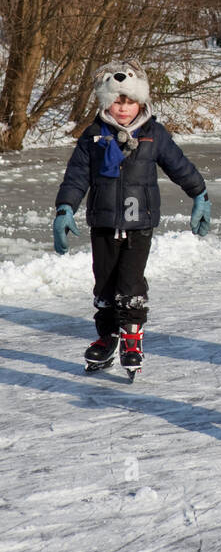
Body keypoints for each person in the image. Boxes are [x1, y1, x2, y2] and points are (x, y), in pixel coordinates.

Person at [52, 60, 210, 375]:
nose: (123, 108)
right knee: (104, 282)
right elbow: (77, 175)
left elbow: (180, 166)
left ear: (141, 101)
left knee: (130, 283)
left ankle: (132, 338)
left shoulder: (154, 134)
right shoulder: (94, 134)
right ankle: (107, 336)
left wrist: (199, 195)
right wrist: (65, 207)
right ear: (105, 101)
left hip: (140, 223)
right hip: (103, 222)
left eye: (129, 100)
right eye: (116, 100)